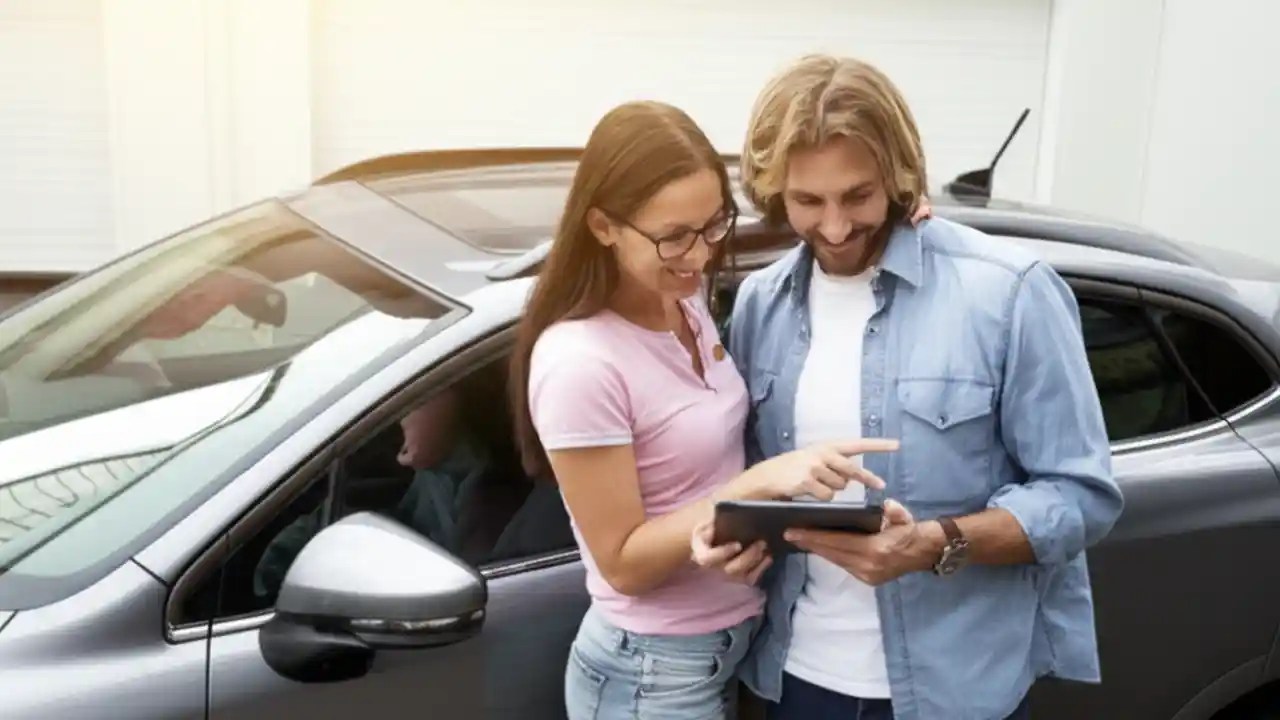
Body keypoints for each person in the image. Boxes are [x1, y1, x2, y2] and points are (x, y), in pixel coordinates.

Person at [692, 54, 1125, 720]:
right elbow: (754, 478)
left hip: (956, 691)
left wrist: (935, 543)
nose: (834, 227)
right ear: (774, 190)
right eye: (808, 201)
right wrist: (728, 538)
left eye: (858, 196)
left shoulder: (1008, 293)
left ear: (898, 175)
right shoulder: (760, 303)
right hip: (795, 681)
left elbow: (1081, 496)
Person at [508, 99, 900, 720]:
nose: (698, 255)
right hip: (652, 674)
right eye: (672, 238)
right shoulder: (580, 361)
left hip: (738, 648)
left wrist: (902, 224)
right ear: (604, 226)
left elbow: (820, 212)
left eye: (714, 225)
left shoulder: (684, 304)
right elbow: (623, 564)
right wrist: (751, 487)